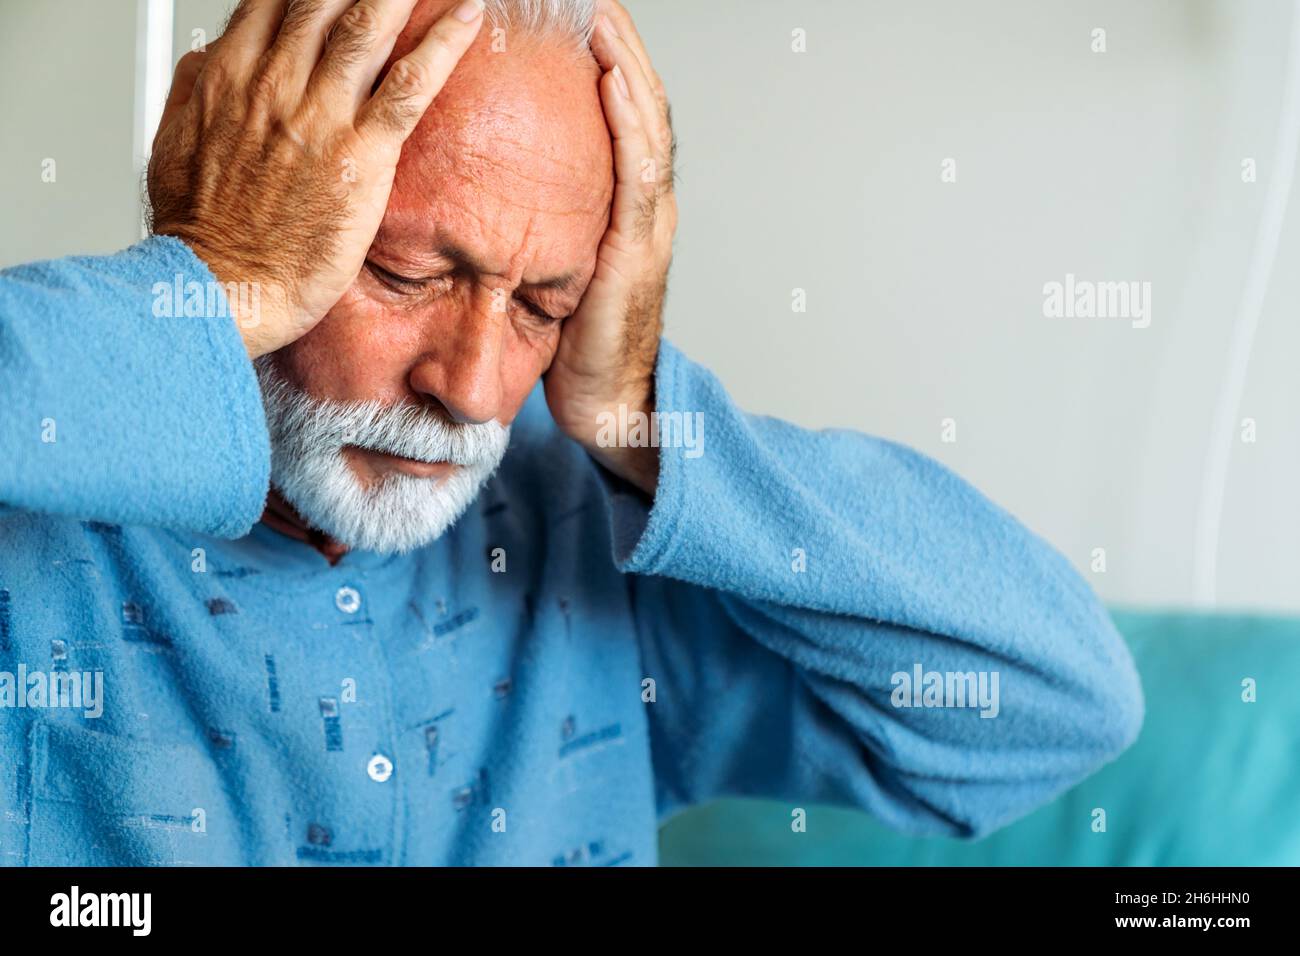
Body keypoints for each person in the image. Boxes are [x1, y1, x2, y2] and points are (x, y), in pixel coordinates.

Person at [0, 0, 1142, 866]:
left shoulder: (579, 536)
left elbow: (1055, 700)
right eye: (402, 272)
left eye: (544, 306)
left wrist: (642, 418)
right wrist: (204, 291)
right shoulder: (41, 510)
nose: (476, 387)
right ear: (246, 192)